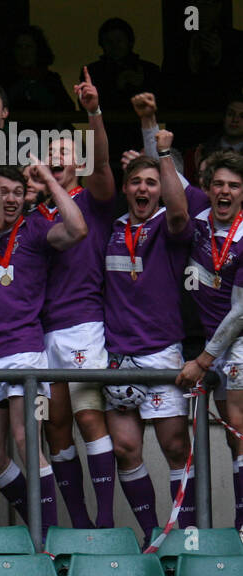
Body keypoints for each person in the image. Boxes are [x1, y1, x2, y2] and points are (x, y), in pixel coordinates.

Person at [0, 162, 87, 538]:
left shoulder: (35, 228)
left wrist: (48, 180)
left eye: (18, 192)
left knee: (26, 441)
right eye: (4, 191)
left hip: (26, 354)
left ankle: (46, 535)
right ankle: (37, 516)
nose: (12, 198)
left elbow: (78, 230)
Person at [101, 134, 191, 547]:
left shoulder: (171, 224)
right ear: (125, 187)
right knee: (124, 448)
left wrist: (162, 155)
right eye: (136, 182)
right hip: (119, 357)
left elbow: (179, 209)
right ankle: (152, 533)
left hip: (161, 353)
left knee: (175, 447)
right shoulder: (113, 228)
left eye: (151, 183)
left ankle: (185, 537)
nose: (143, 189)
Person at [37, 70, 119, 529]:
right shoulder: (33, 213)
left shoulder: (94, 198)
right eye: (51, 155)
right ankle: (80, 525)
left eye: (65, 154)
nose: (57, 160)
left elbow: (105, 164)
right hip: (40, 334)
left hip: (83, 326)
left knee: (91, 422)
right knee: (55, 427)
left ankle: (104, 525)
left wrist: (93, 112)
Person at [174, 150, 243, 530]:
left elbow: (241, 313)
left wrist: (202, 360)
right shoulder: (198, 211)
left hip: (236, 340)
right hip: (205, 342)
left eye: (234, 185)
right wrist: (153, 132)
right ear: (207, 187)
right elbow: (169, 174)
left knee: (237, 428)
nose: (225, 191)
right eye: (219, 183)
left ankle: (241, 525)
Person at [0, 25, 75, 113]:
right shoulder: (1, 77)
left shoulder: (50, 79)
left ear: (38, 49)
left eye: (28, 47)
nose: (24, 52)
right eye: (19, 47)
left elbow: (68, 109)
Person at [84, 17, 160, 108]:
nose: (114, 46)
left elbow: (163, 102)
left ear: (130, 42)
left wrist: (142, 86)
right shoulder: (92, 72)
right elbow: (87, 105)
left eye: (119, 41)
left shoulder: (150, 70)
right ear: (102, 44)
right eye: (109, 41)